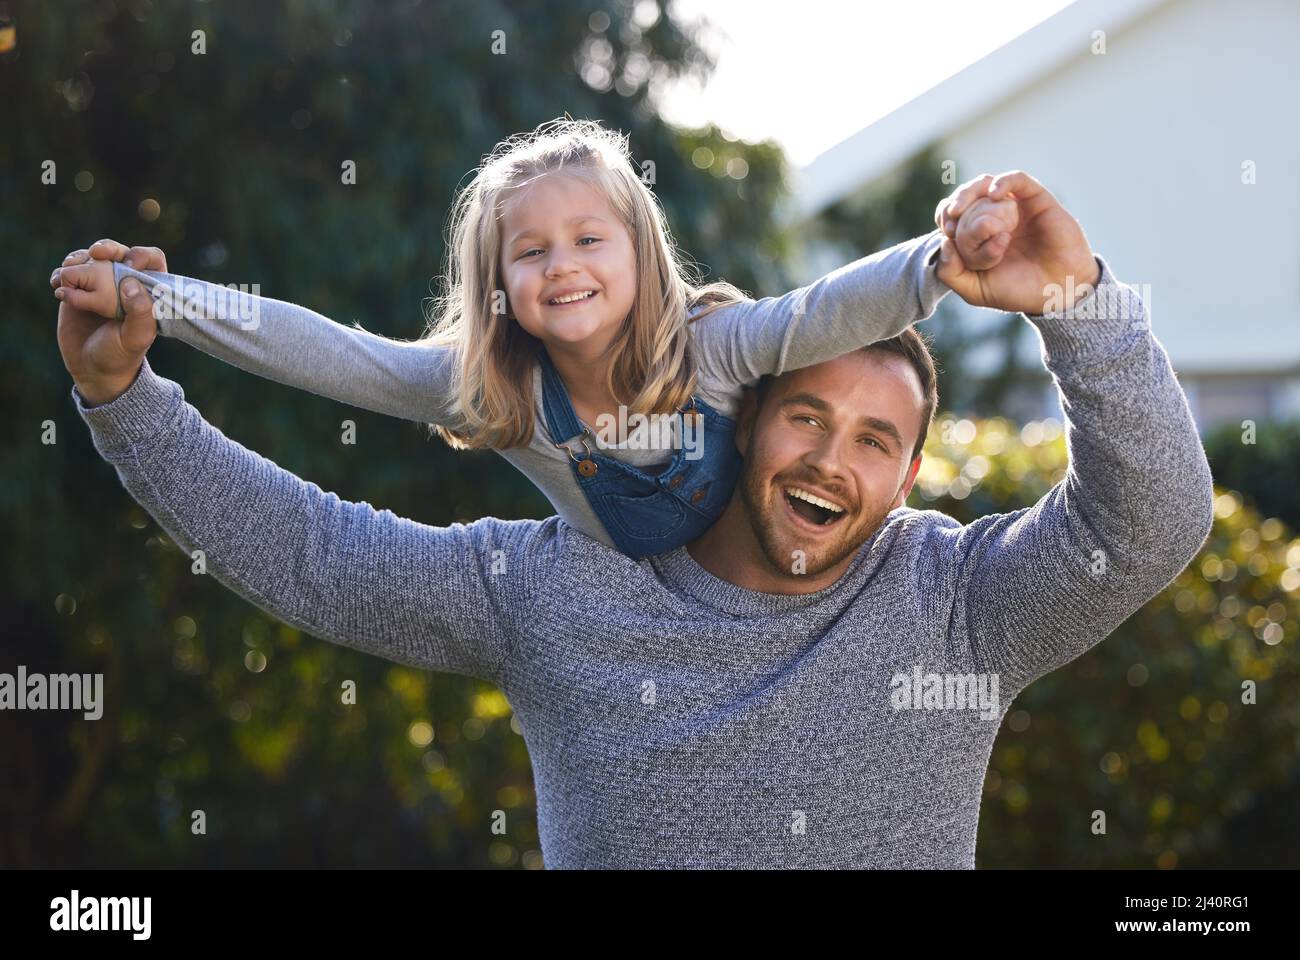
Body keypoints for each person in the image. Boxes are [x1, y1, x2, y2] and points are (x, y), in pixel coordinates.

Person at [57, 170, 1214, 868]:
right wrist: (123, 399)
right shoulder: (554, 589)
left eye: (874, 440)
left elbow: (1154, 522)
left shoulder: (957, 603)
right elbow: (310, 554)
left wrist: (1077, 305)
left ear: (909, 475)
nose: (830, 460)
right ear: (738, 418)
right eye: (806, 417)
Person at [50, 117, 1016, 558]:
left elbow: (824, 312)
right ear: (497, 285)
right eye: (530, 251)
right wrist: (157, 299)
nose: (561, 265)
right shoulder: (492, 394)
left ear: (641, 254)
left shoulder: (711, 349)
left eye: (590, 239)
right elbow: (327, 351)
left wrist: (938, 262)